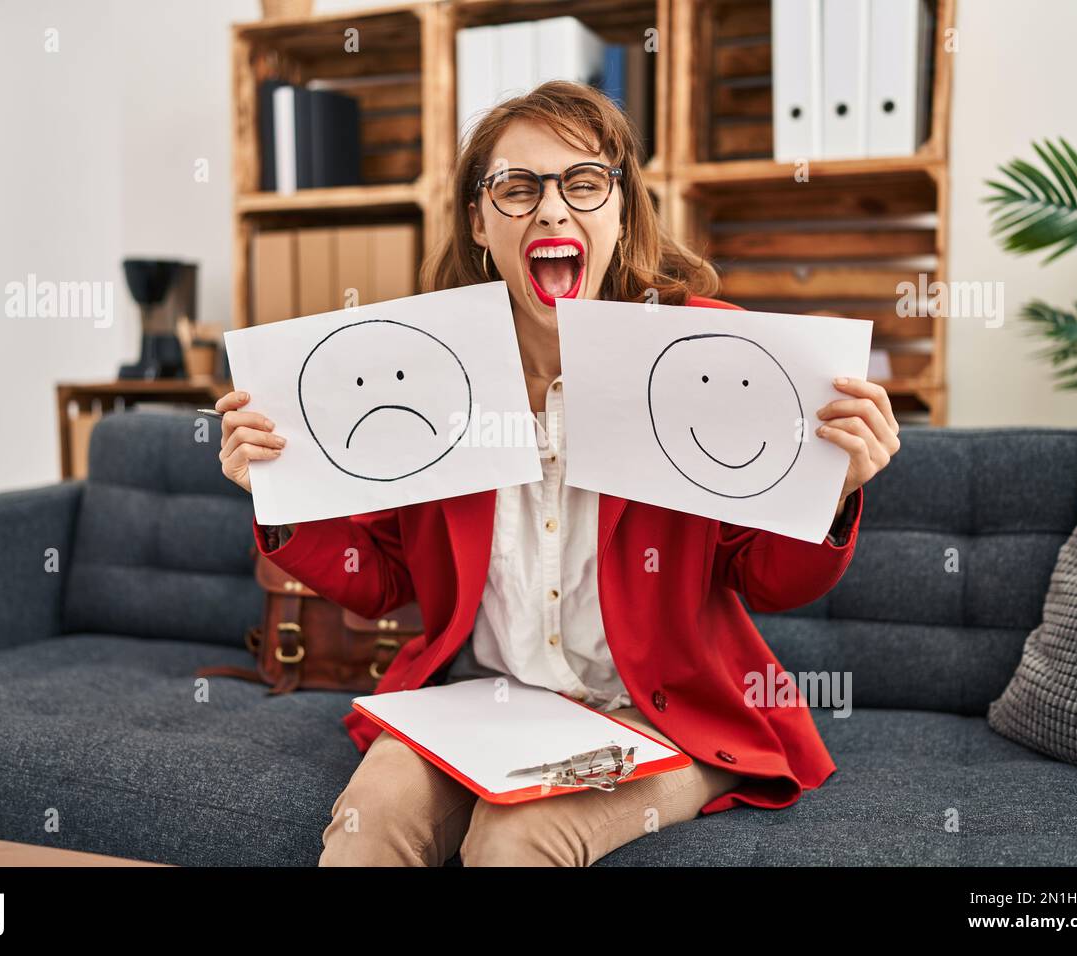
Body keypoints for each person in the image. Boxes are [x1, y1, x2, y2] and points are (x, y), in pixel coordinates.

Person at [216, 80, 900, 866]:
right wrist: (280, 494)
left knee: (517, 840)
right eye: (517, 187)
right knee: (368, 825)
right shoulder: (426, 370)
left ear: (620, 211)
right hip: (479, 706)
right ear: (479, 220)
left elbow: (768, 580)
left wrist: (834, 491)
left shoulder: (701, 358)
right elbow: (383, 582)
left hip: (661, 715)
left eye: (582, 183)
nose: (551, 210)